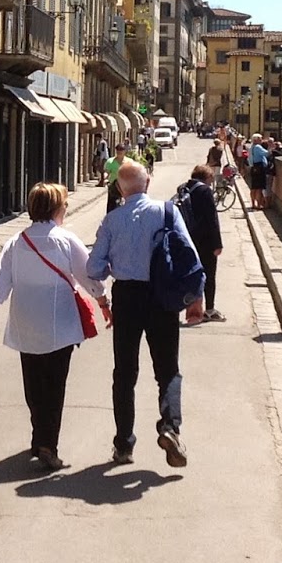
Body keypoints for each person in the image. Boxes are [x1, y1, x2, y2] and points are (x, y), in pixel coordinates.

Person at [0, 182, 108, 471]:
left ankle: (39, 437)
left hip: (25, 322)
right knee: (54, 385)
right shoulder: (65, 239)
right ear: (55, 209)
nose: (66, 209)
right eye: (64, 205)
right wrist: (103, 303)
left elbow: (1, 282)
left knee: (33, 384)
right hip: (59, 323)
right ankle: (47, 444)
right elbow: (87, 275)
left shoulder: (17, 241)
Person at [87, 159, 205, 467]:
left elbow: (93, 269)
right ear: (148, 183)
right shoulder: (167, 212)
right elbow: (189, 256)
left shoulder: (113, 220)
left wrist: (114, 266)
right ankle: (170, 427)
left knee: (124, 374)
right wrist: (197, 297)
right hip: (163, 297)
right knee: (168, 370)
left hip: (127, 297)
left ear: (119, 188)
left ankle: (124, 445)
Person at [177, 164, 225, 322]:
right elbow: (212, 219)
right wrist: (217, 244)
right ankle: (209, 310)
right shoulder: (205, 191)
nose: (211, 182)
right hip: (204, 241)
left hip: (186, 239)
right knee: (209, 276)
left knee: (188, 275)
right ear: (207, 177)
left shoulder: (183, 188)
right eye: (211, 178)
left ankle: (186, 309)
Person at [247, 133, 270, 211]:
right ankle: (259, 205)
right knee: (259, 187)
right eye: (260, 139)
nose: (261, 140)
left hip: (253, 167)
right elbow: (267, 154)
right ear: (256, 140)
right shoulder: (258, 147)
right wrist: (271, 148)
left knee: (253, 187)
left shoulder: (251, 147)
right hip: (259, 168)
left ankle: (253, 204)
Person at [105, 142, 129, 212]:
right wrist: (105, 178)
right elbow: (107, 172)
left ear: (124, 152)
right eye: (118, 152)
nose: (119, 154)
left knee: (128, 203)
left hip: (125, 186)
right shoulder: (110, 161)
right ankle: (110, 217)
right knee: (111, 204)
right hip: (114, 185)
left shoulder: (129, 162)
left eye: (121, 152)